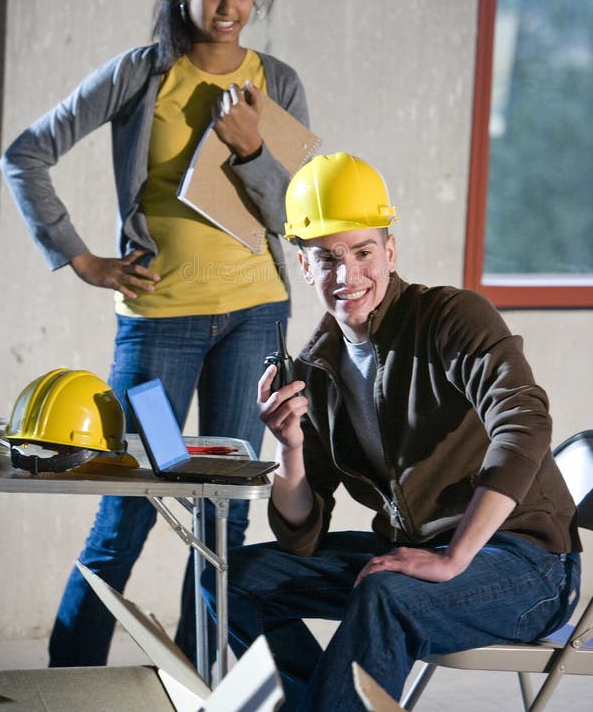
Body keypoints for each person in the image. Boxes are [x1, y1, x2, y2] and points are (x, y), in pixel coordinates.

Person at [0, 0, 309, 667]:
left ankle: (198, 684)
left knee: (223, 524)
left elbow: (294, 215)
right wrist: (80, 256)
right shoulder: (142, 76)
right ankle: (71, 684)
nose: (228, 7)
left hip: (253, 321)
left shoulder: (280, 86)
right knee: (128, 510)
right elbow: (25, 154)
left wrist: (248, 149)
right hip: (161, 325)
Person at [201, 152, 581, 710]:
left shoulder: (453, 318)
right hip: (414, 552)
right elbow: (301, 539)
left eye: (363, 252)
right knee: (233, 579)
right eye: (326, 259)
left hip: (526, 566)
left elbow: (524, 421)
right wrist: (290, 449)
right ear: (304, 267)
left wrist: (454, 559)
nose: (347, 275)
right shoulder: (317, 368)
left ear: (390, 251)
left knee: (386, 595)